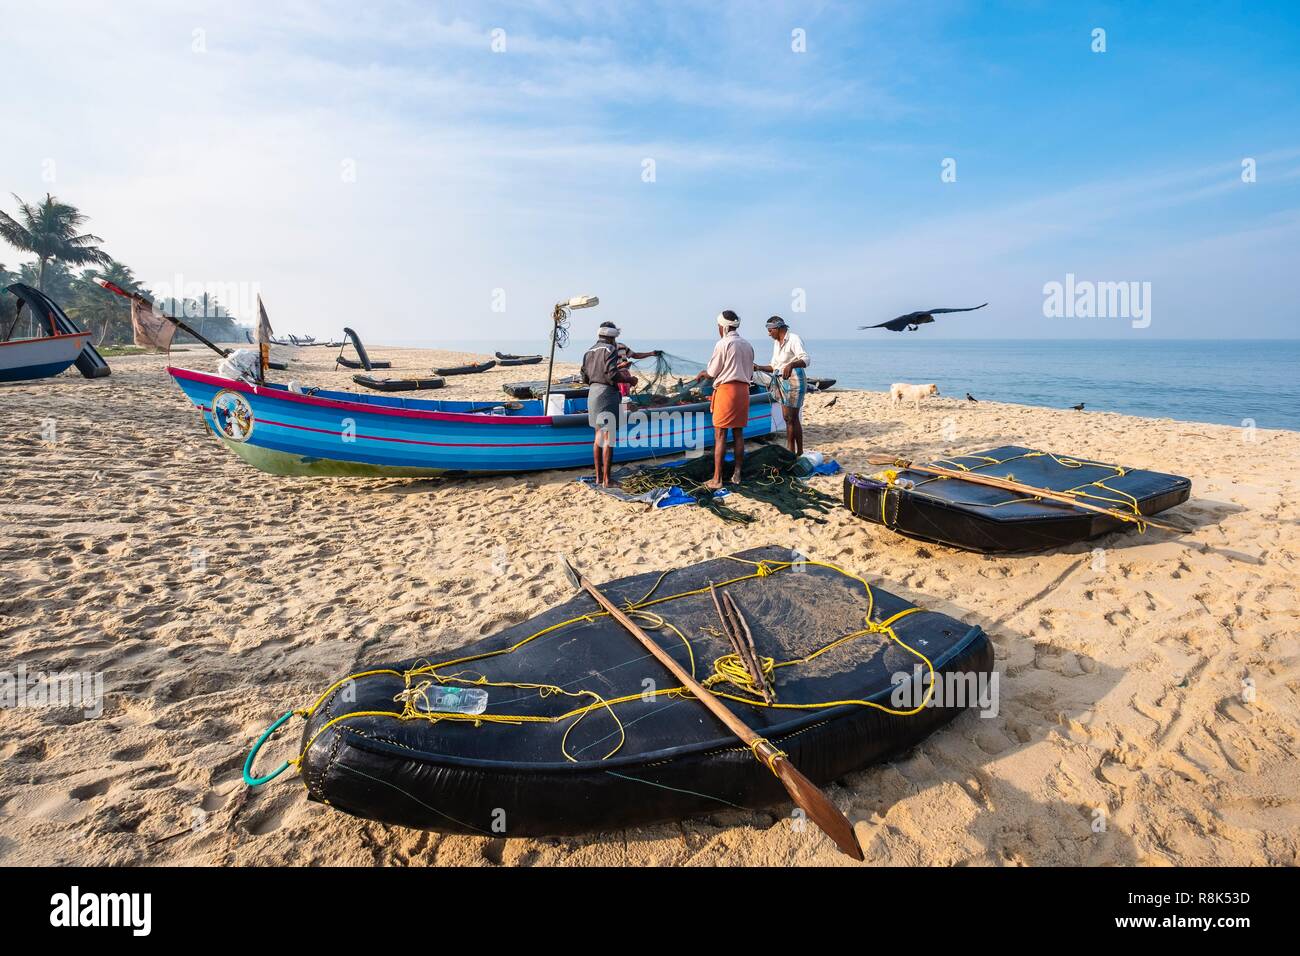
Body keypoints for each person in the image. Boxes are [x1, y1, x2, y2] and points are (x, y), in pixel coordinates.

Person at [693, 310, 755, 489]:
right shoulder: (747, 345)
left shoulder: (723, 344)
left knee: (720, 435)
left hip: (727, 391)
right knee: (738, 433)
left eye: (719, 327)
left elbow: (712, 372)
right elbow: (749, 373)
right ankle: (737, 474)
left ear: (724, 327)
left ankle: (717, 479)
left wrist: (702, 374)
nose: (718, 329)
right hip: (744, 391)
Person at [581, 321, 637, 486]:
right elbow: (612, 375)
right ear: (612, 337)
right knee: (608, 438)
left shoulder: (588, 351)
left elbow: (585, 377)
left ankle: (598, 477)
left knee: (597, 436)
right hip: (606, 394)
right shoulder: (611, 350)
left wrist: (616, 369)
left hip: (592, 394)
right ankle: (607, 479)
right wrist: (629, 379)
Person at [753, 315, 809, 455]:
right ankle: (791, 449)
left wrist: (791, 364)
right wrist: (758, 367)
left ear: (778, 328)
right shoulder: (777, 343)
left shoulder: (794, 338)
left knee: (793, 417)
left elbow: (806, 359)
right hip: (781, 381)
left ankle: (798, 450)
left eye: (770, 330)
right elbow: (774, 366)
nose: (769, 333)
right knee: (787, 418)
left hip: (795, 379)